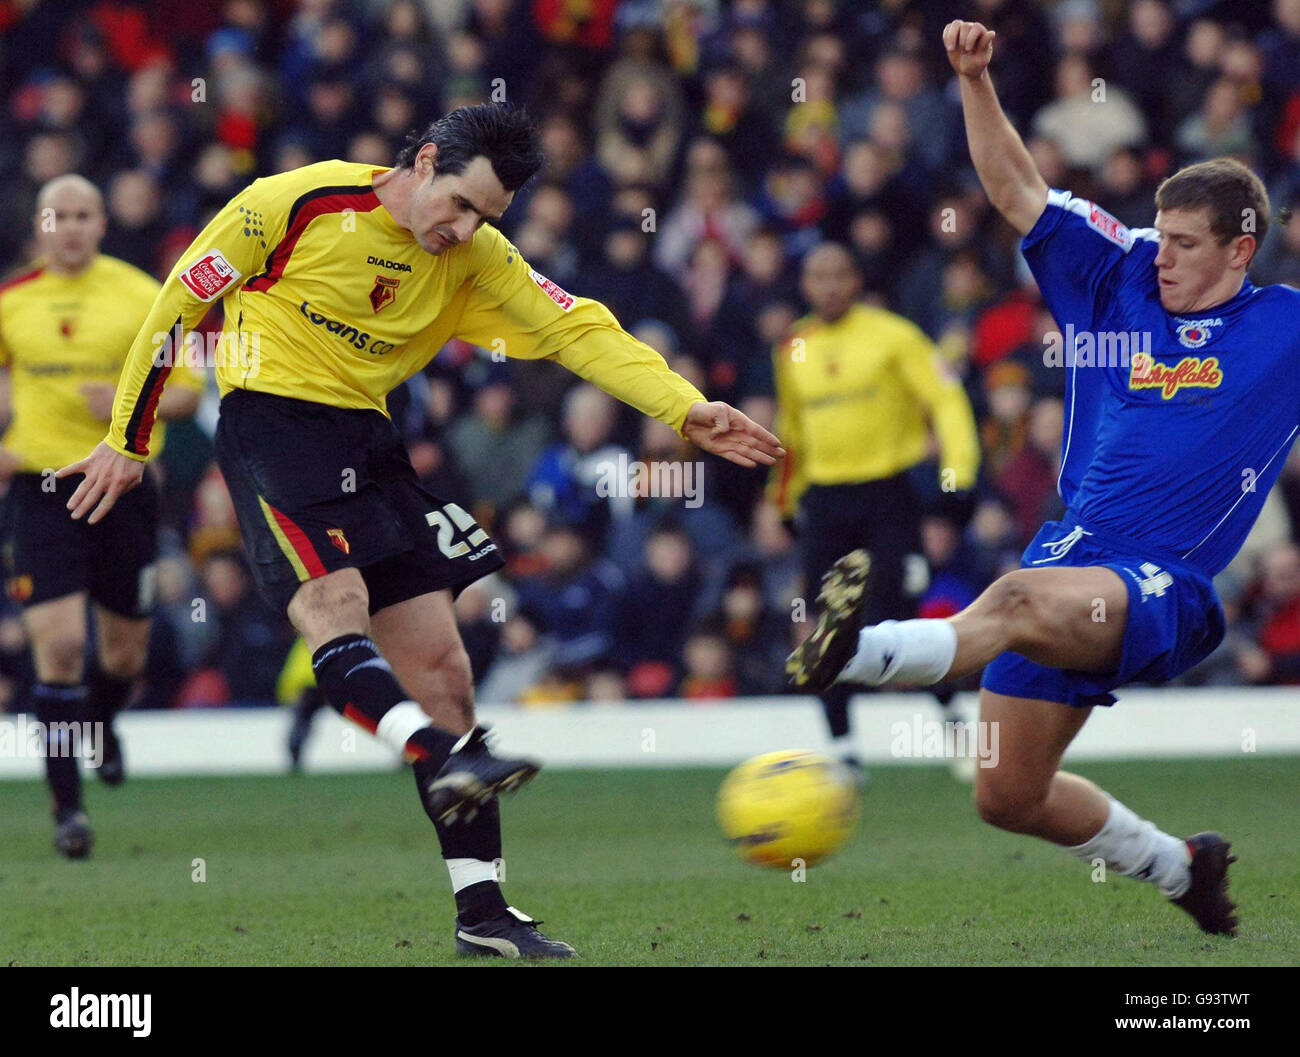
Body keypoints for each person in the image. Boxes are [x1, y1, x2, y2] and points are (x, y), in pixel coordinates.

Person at [58, 105, 781, 959]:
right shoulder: (291, 202)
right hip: (272, 425)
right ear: (427, 158)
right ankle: (439, 753)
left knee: (446, 672)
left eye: (486, 217)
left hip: (369, 439)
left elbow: (575, 326)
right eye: (461, 204)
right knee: (335, 603)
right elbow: (181, 301)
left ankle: (484, 913)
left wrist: (684, 407)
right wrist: (130, 439)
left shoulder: (477, 255)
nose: (466, 228)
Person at [788, 20, 1300, 937]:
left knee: (1015, 597)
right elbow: (1017, 189)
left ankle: (854, 655)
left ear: (1241, 248)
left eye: (1186, 243)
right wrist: (975, 82)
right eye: (1161, 234)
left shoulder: (1287, 328)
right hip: (1074, 548)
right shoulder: (1120, 275)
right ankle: (1183, 867)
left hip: (1164, 583)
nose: (1164, 254)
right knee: (1006, 792)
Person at [0, 174, 202, 858]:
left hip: (122, 484)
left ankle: (100, 722)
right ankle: (68, 810)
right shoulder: (11, 301)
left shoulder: (142, 296)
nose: (74, 226)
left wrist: (121, 397)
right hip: (42, 488)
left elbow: (186, 395)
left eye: (86, 213)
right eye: (61, 215)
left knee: (124, 654)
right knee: (56, 646)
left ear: (102, 222)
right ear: (41, 224)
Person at [770, 242, 979, 771]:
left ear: (857, 279)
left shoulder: (893, 335)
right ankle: (844, 754)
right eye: (819, 275)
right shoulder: (793, 345)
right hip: (825, 500)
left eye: (840, 274)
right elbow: (791, 432)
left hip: (889, 494)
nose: (830, 286)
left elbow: (947, 399)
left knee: (900, 615)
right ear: (805, 285)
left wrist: (958, 476)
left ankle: (954, 719)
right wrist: (786, 502)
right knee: (828, 626)